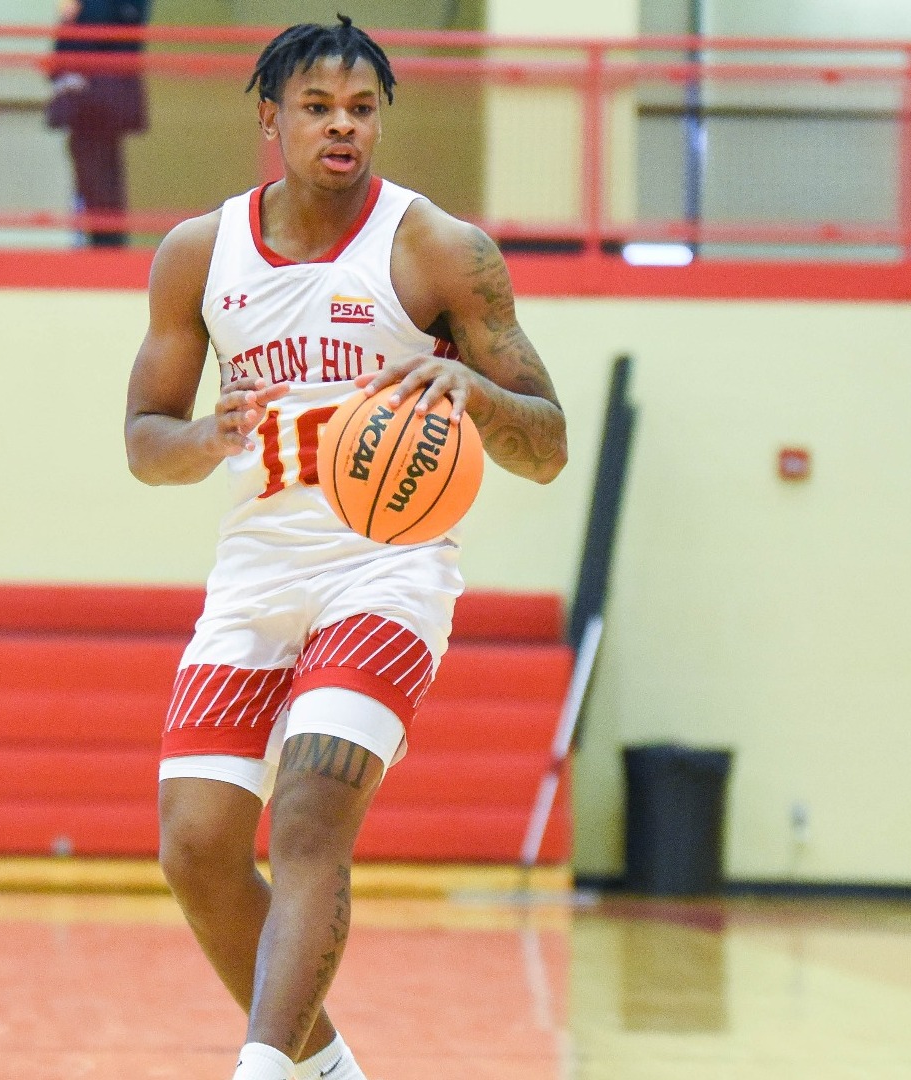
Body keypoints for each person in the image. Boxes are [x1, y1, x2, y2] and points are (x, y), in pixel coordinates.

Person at [122, 18, 568, 1080]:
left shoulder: (439, 248)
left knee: (312, 811)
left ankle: (261, 1069)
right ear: (270, 117)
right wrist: (205, 437)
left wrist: (473, 390)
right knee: (196, 848)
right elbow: (144, 441)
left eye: (362, 110)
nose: (342, 128)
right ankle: (326, 1071)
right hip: (257, 570)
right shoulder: (199, 253)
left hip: (387, 567)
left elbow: (548, 445)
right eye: (318, 108)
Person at [48, 0, 150, 247]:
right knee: (97, 172)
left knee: (98, 174)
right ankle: (105, 242)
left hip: (98, 92)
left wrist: (72, 18)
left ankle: (107, 244)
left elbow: (94, 32)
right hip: (98, 91)